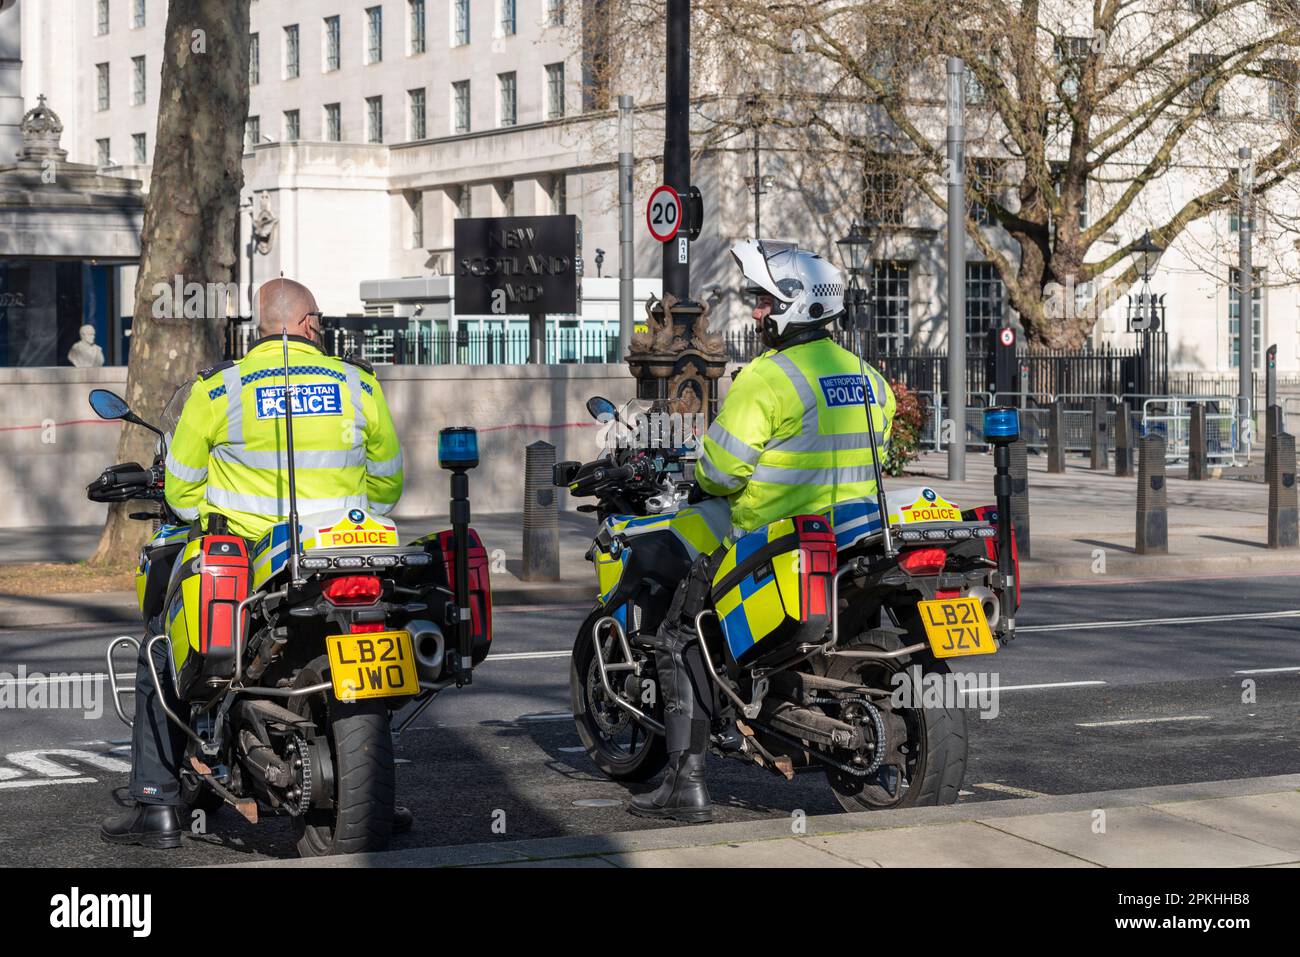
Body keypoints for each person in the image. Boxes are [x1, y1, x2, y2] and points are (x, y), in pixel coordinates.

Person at [100, 278, 408, 848]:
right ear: (310, 323)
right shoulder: (357, 382)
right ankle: (376, 793)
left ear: (260, 324)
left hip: (246, 560)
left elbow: (185, 490)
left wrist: (212, 511)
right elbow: (388, 478)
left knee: (159, 648)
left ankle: (156, 807)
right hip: (342, 552)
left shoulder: (219, 390)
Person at [628, 240, 896, 823]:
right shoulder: (871, 379)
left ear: (796, 305)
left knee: (679, 633)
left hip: (772, 539)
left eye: (763, 301)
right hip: (848, 540)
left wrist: (703, 473)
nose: (755, 313)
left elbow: (721, 472)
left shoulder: (766, 380)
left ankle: (686, 782)